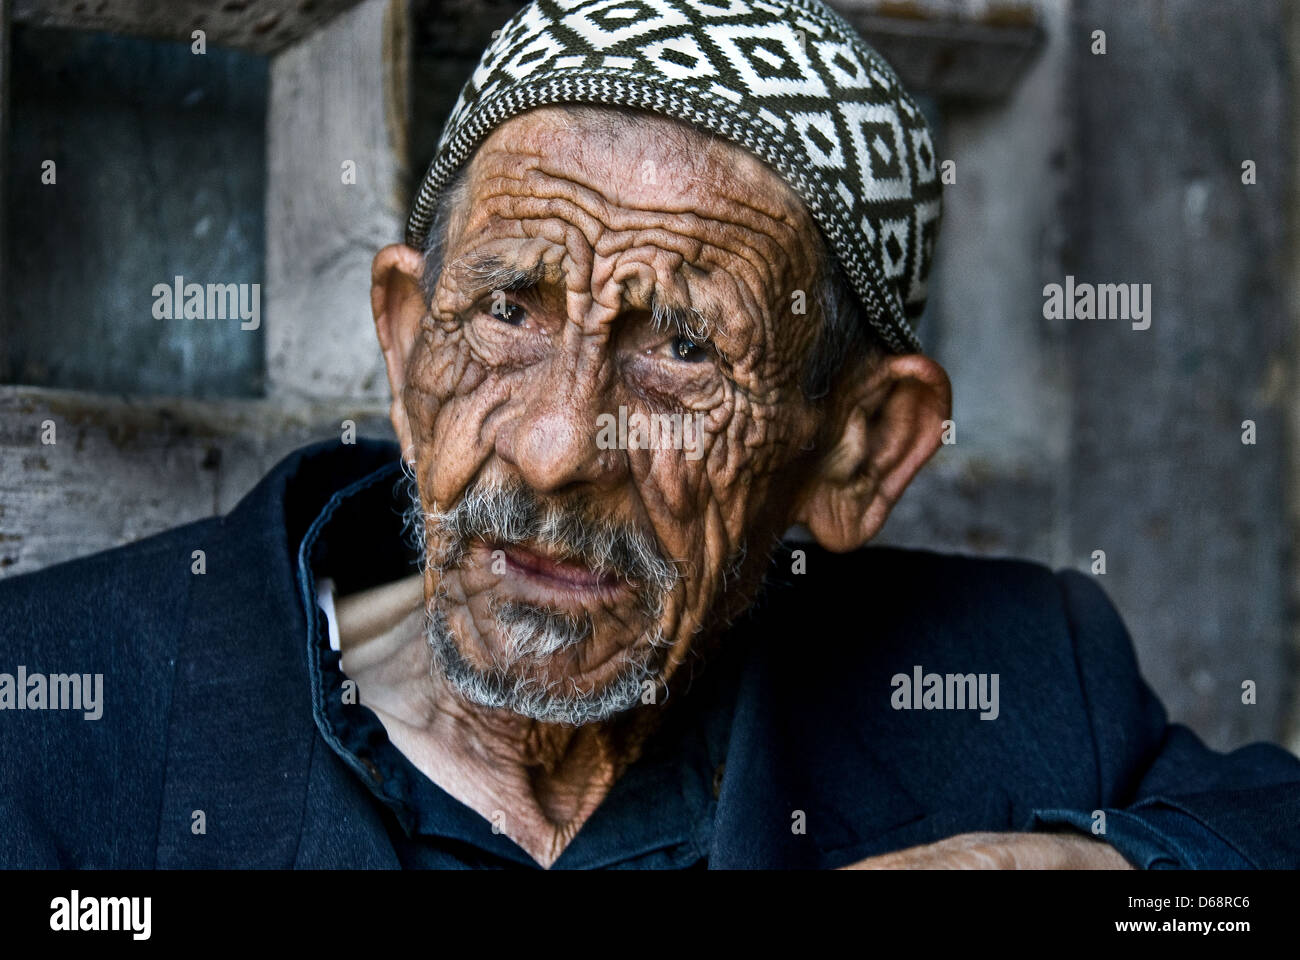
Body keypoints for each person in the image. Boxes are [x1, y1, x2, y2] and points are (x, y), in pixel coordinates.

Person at [1, 0, 1296, 869]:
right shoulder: (56, 710)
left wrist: (1119, 874)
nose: (562, 447)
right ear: (403, 341)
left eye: (682, 349)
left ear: (861, 446)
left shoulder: (1022, 678)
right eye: (508, 308)